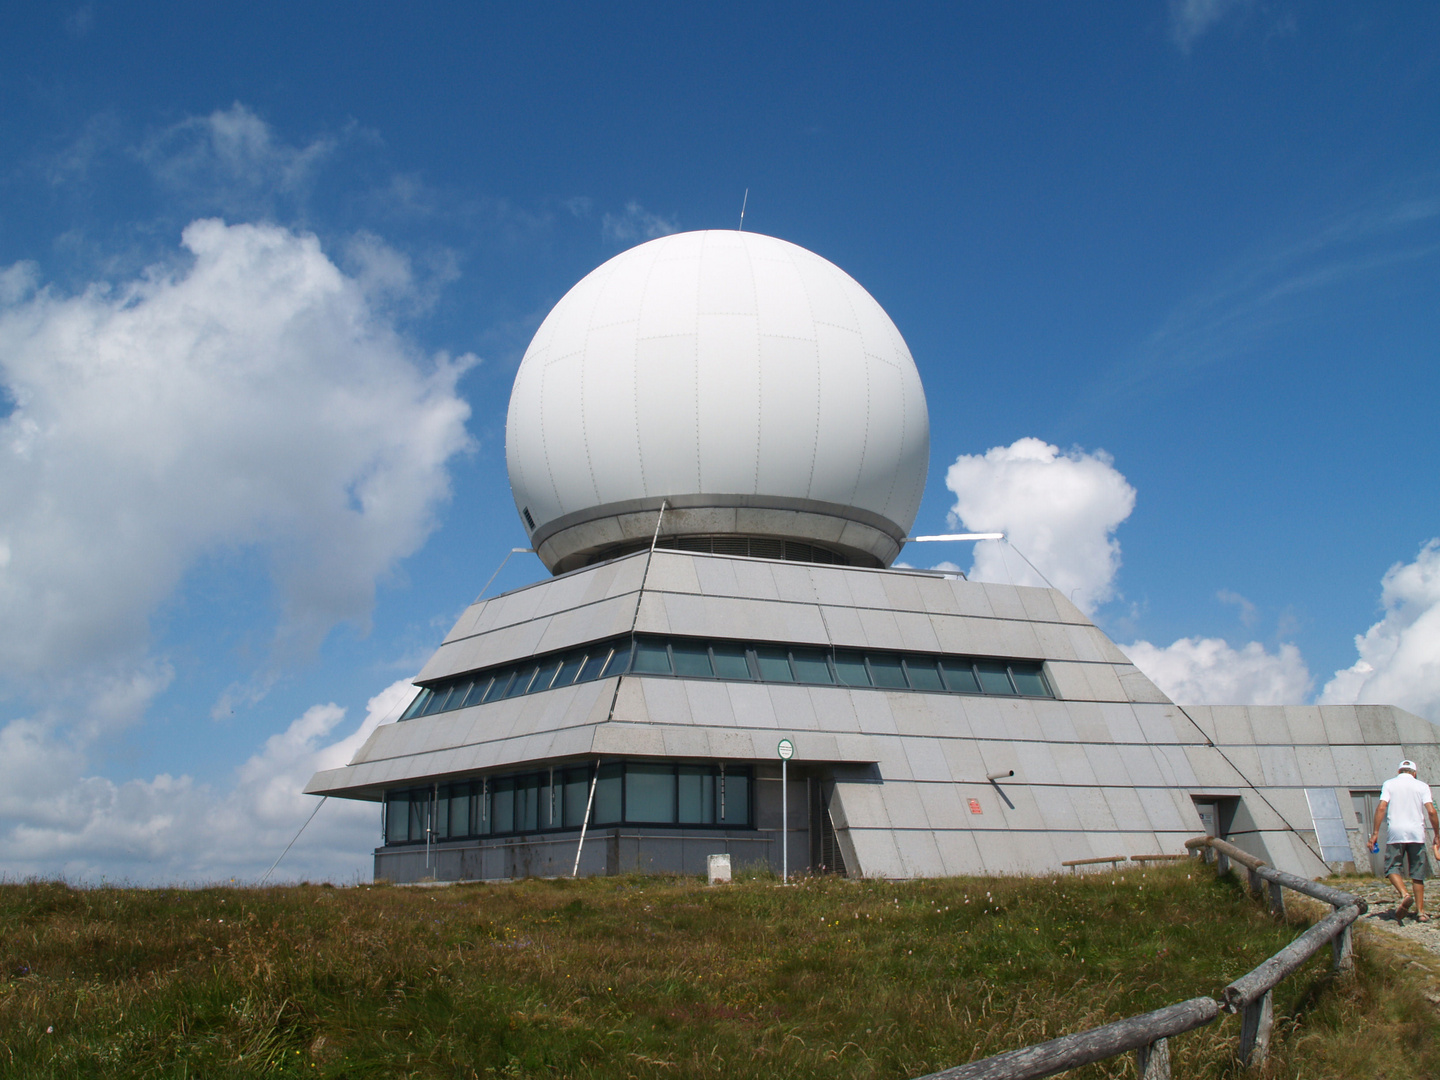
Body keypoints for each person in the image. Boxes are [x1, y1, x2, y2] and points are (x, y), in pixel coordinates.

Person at [1369, 760, 1440, 922]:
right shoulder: (1422, 786)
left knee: (1391, 867)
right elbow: (1431, 811)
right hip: (1417, 833)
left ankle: (1404, 894)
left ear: (1399, 771)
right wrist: (1437, 833)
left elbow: (1381, 808)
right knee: (1418, 873)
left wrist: (1375, 833)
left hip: (1396, 832)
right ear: (1414, 773)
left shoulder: (1389, 784)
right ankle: (1421, 913)